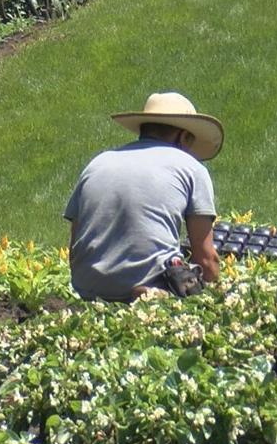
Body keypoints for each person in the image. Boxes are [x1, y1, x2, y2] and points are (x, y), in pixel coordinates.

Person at [63, 92, 223, 302]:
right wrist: (216, 297)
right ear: (183, 137)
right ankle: (154, 293)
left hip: (87, 286)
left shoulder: (98, 163)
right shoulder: (191, 168)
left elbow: (75, 246)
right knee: (192, 281)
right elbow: (206, 258)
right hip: (146, 282)